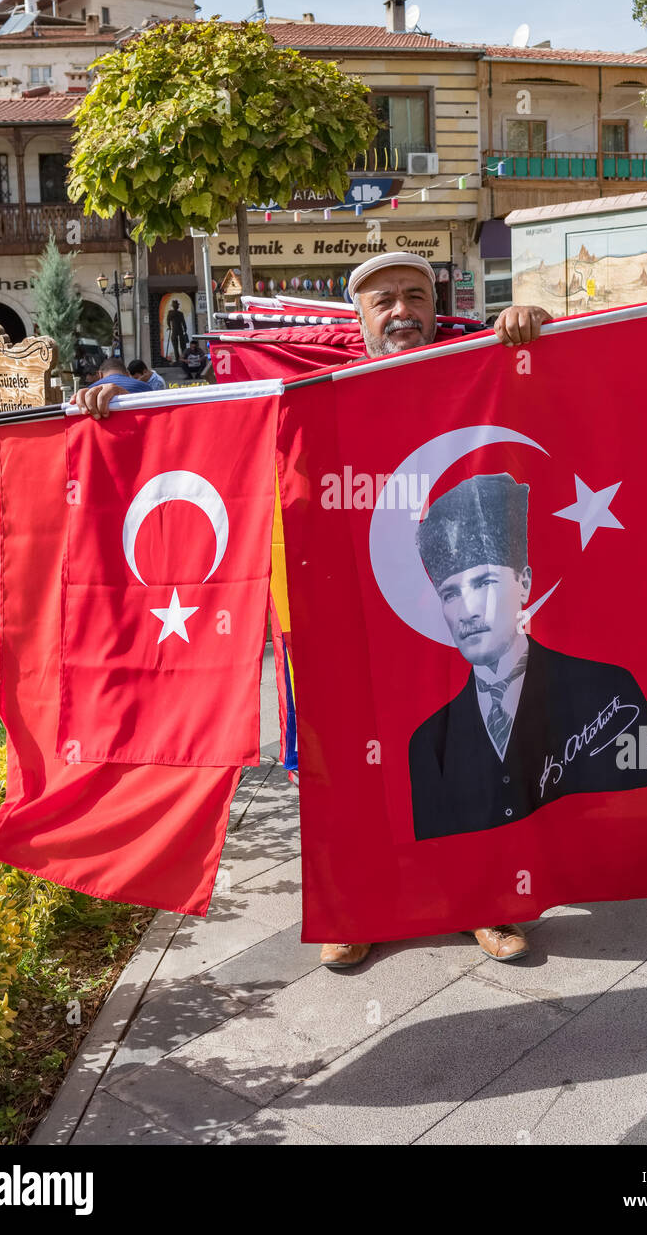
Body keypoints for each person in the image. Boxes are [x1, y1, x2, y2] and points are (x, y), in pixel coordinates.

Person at [72, 250, 552, 968]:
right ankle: (355, 904)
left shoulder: (475, 363)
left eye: (414, 296)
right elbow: (199, 425)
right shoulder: (300, 383)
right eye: (383, 300)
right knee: (342, 764)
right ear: (356, 316)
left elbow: (549, 383)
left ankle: (482, 899)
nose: (401, 312)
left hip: (439, 607)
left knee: (470, 744)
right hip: (336, 607)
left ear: (435, 303)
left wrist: (536, 326)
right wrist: (113, 402)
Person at [409, 473, 647, 841]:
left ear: (525, 583)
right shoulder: (427, 742)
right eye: (450, 593)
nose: (468, 611)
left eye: (484, 583)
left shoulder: (611, 691)